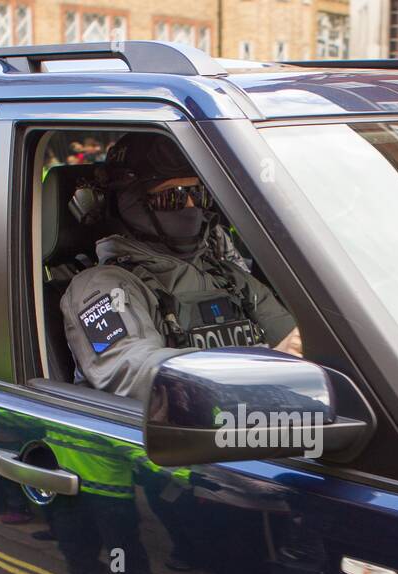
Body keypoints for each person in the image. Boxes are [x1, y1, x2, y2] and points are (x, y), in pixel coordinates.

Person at [61, 132, 300, 401]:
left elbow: (295, 342)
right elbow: (132, 369)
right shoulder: (102, 287)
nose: (190, 207)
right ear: (131, 204)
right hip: (170, 438)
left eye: (196, 194)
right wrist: (260, 370)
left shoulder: (231, 279)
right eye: (172, 197)